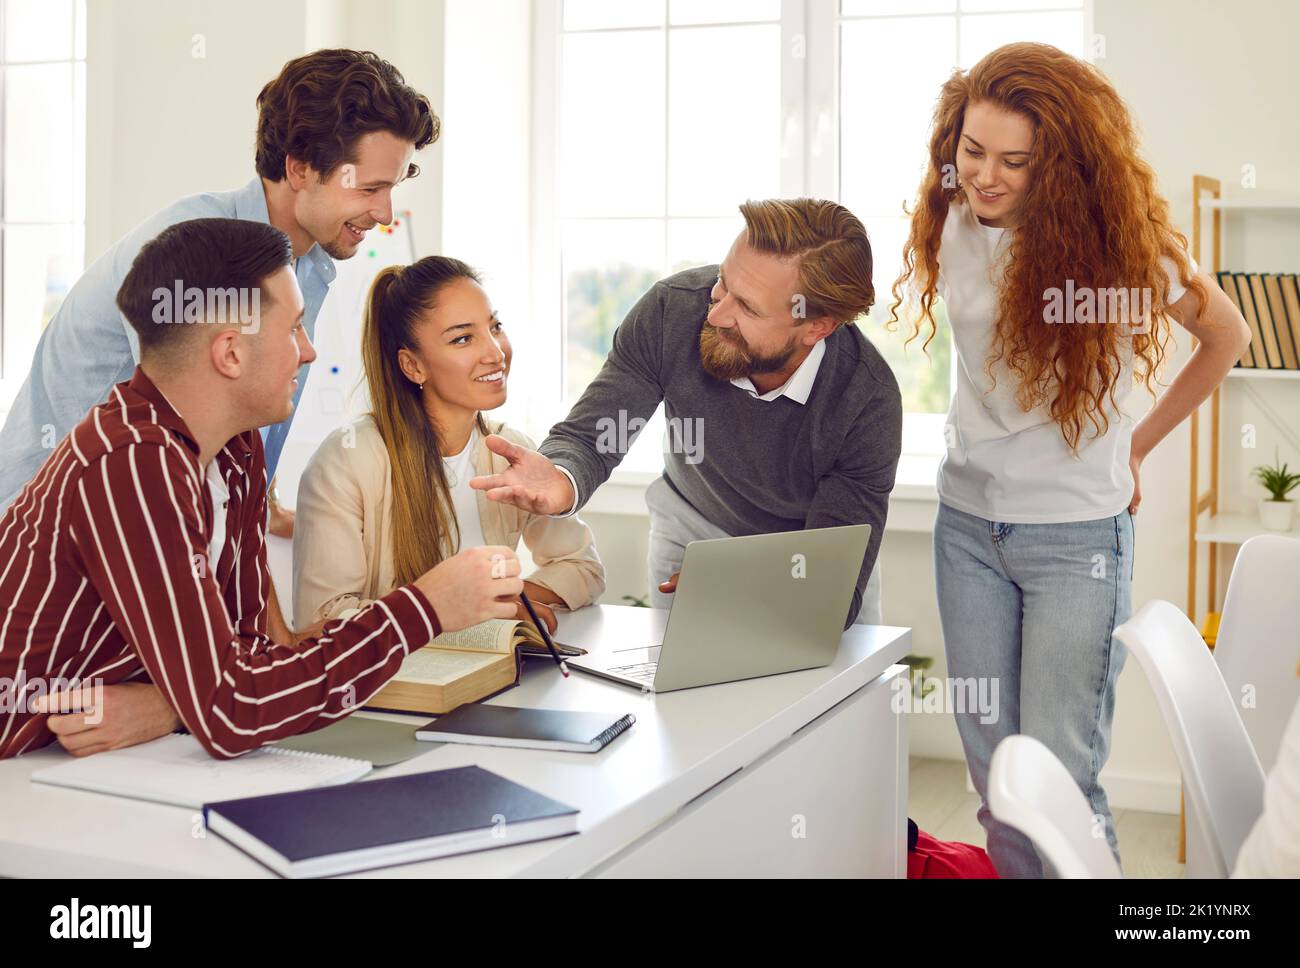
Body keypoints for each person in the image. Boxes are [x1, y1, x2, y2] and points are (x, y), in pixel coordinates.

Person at [890, 42, 1251, 876]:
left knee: (1061, 780)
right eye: (971, 151)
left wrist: (1136, 447)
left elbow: (1225, 336)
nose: (984, 177)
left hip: (1076, 539)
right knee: (996, 780)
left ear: (1058, 165)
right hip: (968, 528)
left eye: (1014, 162)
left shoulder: (1123, 250)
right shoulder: (947, 222)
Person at [0, 219, 522, 760]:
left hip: (91, 761)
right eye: (294, 328)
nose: (309, 351)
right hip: (21, 768)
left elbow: (252, 650)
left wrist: (171, 705)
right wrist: (427, 607)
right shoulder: (131, 465)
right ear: (230, 354)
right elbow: (230, 712)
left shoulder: (235, 444)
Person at [0, 47, 439, 545]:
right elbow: (178, 457)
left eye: (392, 189)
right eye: (368, 189)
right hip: (51, 545)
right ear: (299, 169)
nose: (385, 213)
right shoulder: (197, 255)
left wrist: (272, 512)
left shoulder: (307, 266)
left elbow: (241, 440)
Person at [470, 198, 902, 630]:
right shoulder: (671, 313)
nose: (715, 313)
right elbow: (599, 435)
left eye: (748, 307)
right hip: (694, 530)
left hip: (805, 556)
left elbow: (832, 583)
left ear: (816, 326)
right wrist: (563, 479)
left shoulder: (866, 401)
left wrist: (752, 579)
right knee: (688, 690)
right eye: (722, 282)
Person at [294, 256, 605, 632]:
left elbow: (583, 567)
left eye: (495, 327)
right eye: (462, 338)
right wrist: (450, 609)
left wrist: (503, 600)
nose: (495, 352)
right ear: (413, 366)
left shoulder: (508, 450)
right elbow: (322, 616)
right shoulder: (346, 461)